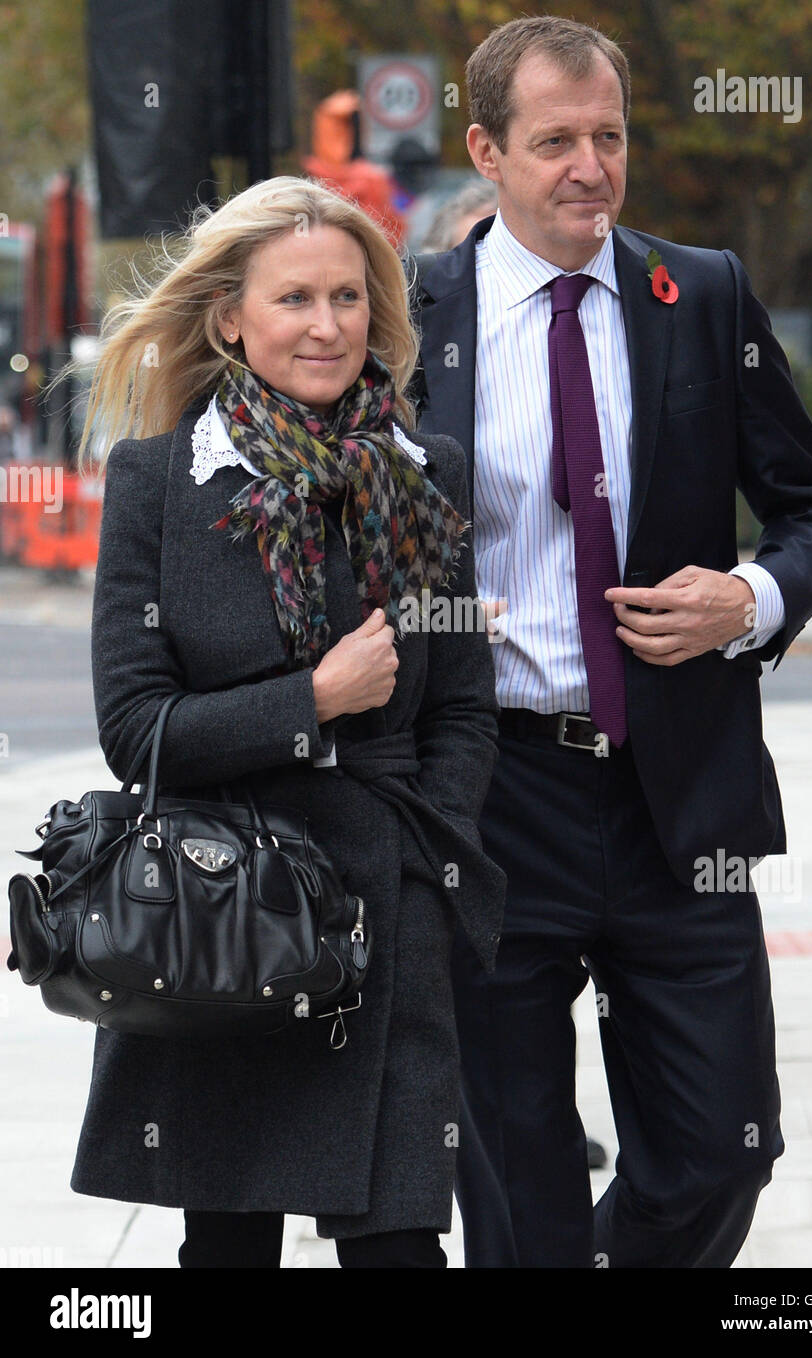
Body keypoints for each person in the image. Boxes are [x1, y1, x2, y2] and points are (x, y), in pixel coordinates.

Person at [410, 15, 812, 1268]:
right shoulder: (407, 311)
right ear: (486, 151)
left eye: (607, 136)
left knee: (725, 1151)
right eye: (555, 141)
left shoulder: (699, 291)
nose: (589, 168)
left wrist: (752, 600)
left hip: (680, 796)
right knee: (516, 1181)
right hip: (487, 797)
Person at [68, 175, 506, 1269]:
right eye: (295, 298)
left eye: (349, 298)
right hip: (224, 910)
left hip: (387, 907)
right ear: (231, 318)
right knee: (227, 1248)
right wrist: (310, 702)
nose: (327, 325)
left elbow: (460, 705)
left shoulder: (423, 471)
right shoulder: (160, 480)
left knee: (402, 1246)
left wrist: (429, 863)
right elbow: (136, 729)